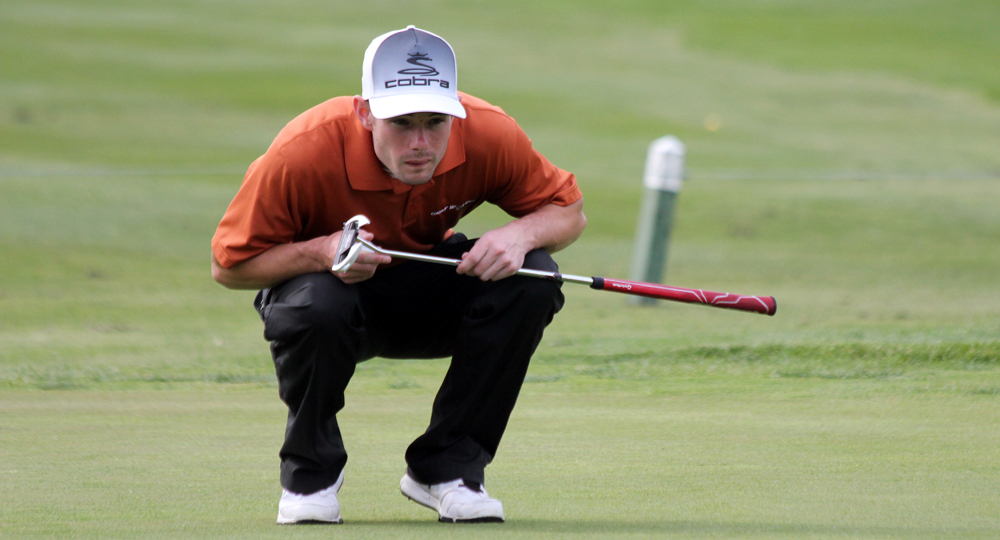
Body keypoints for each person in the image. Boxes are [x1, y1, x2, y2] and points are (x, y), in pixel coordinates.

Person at [211, 25, 585, 524]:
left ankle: (447, 470)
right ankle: (311, 479)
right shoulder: (303, 151)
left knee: (533, 275)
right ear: (365, 113)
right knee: (316, 303)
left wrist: (521, 236)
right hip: (336, 299)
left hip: (429, 288)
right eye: (402, 123)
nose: (421, 143)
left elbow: (568, 212)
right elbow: (230, 265)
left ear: (456, 112)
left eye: (435, 122)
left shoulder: (488, 132)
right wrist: (322, 252)